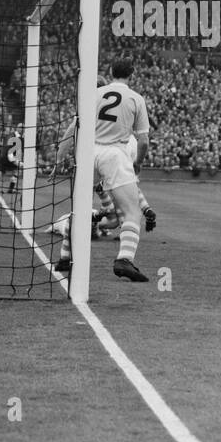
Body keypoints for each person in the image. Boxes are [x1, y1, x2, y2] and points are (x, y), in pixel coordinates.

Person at [52, 61, 152, 281]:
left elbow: (72, 128)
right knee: (131, 212)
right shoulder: (136, 98)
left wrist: (59, 159)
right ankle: (124, 260)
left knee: (78, 210)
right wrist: (138, 164)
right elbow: (143, 141)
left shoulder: (94, 94)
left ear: (110, 73)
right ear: (132, 74)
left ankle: (64, 257)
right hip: (114, 154)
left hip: (88, 152)